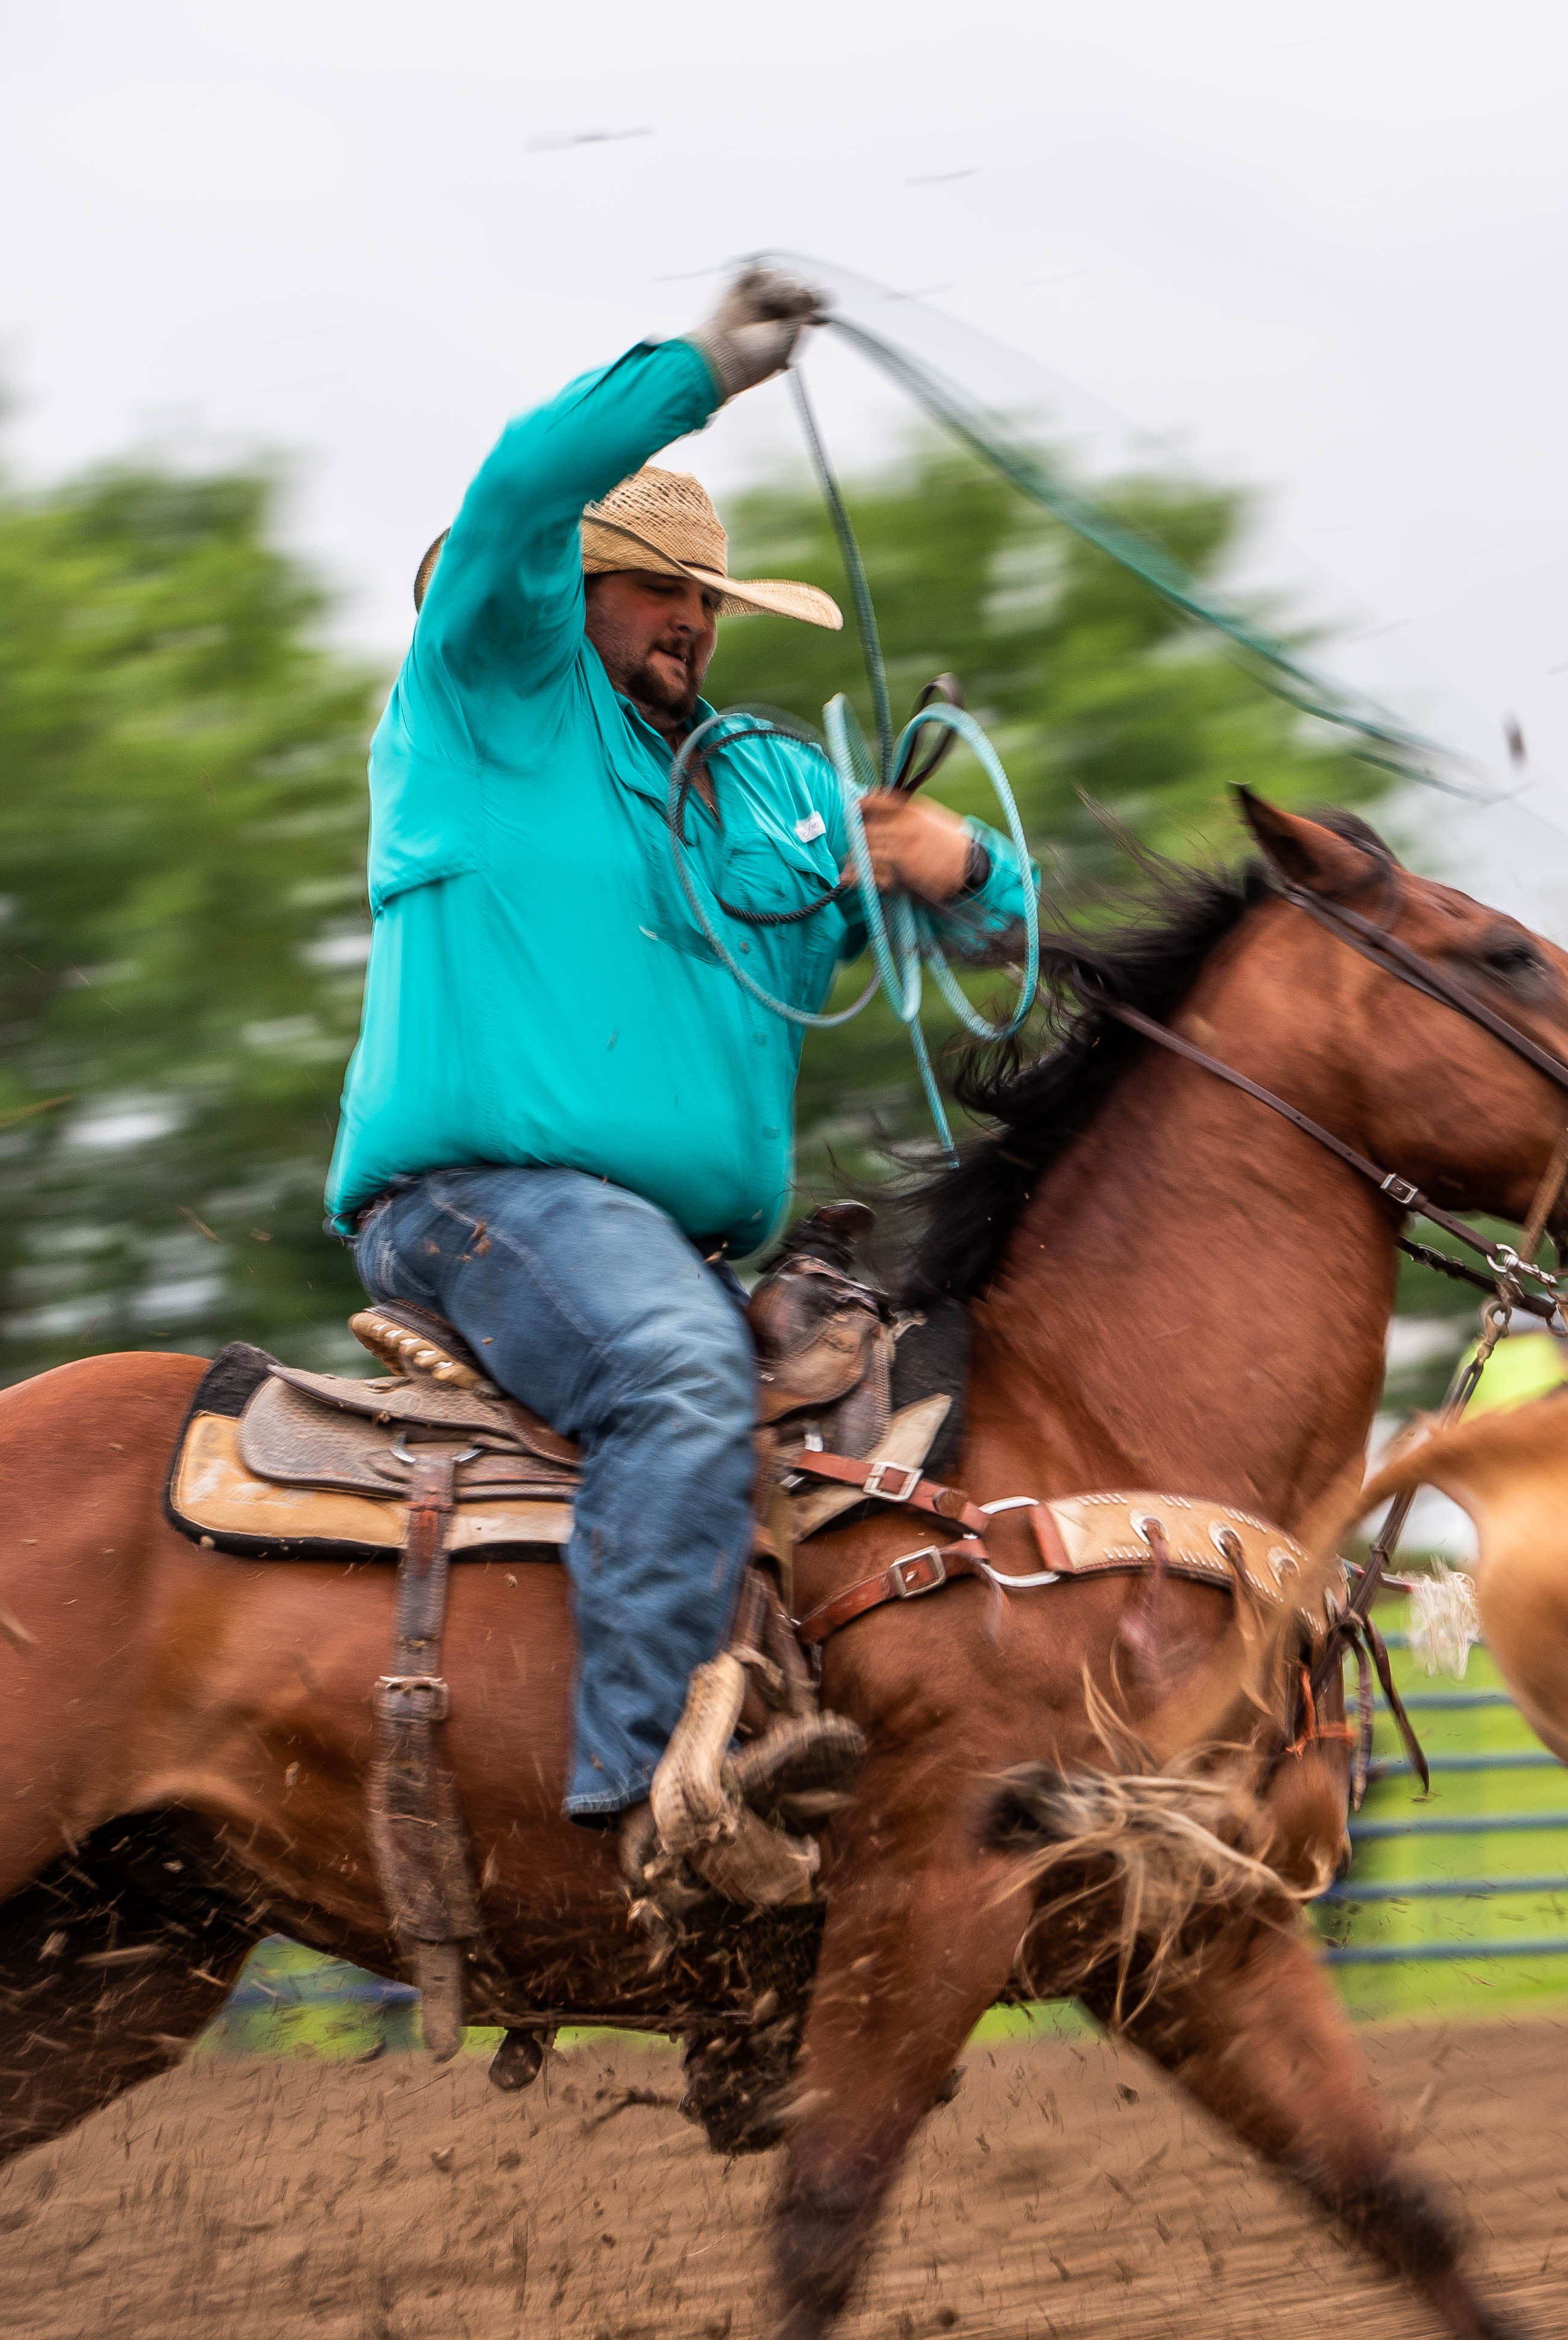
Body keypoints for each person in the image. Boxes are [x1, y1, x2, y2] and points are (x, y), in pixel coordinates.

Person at [323, 269, 1035, 1904]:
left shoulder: (769, 782)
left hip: (675, 1234)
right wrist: (708, 365)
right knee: (675, 1372)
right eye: (648, 589)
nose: (689, 620)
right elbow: (518, 483)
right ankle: (657, 1800)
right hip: (482, 1208)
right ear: (556, 594)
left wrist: (959, 858)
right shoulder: (491, 698)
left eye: (704, 598)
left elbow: (996, 935)